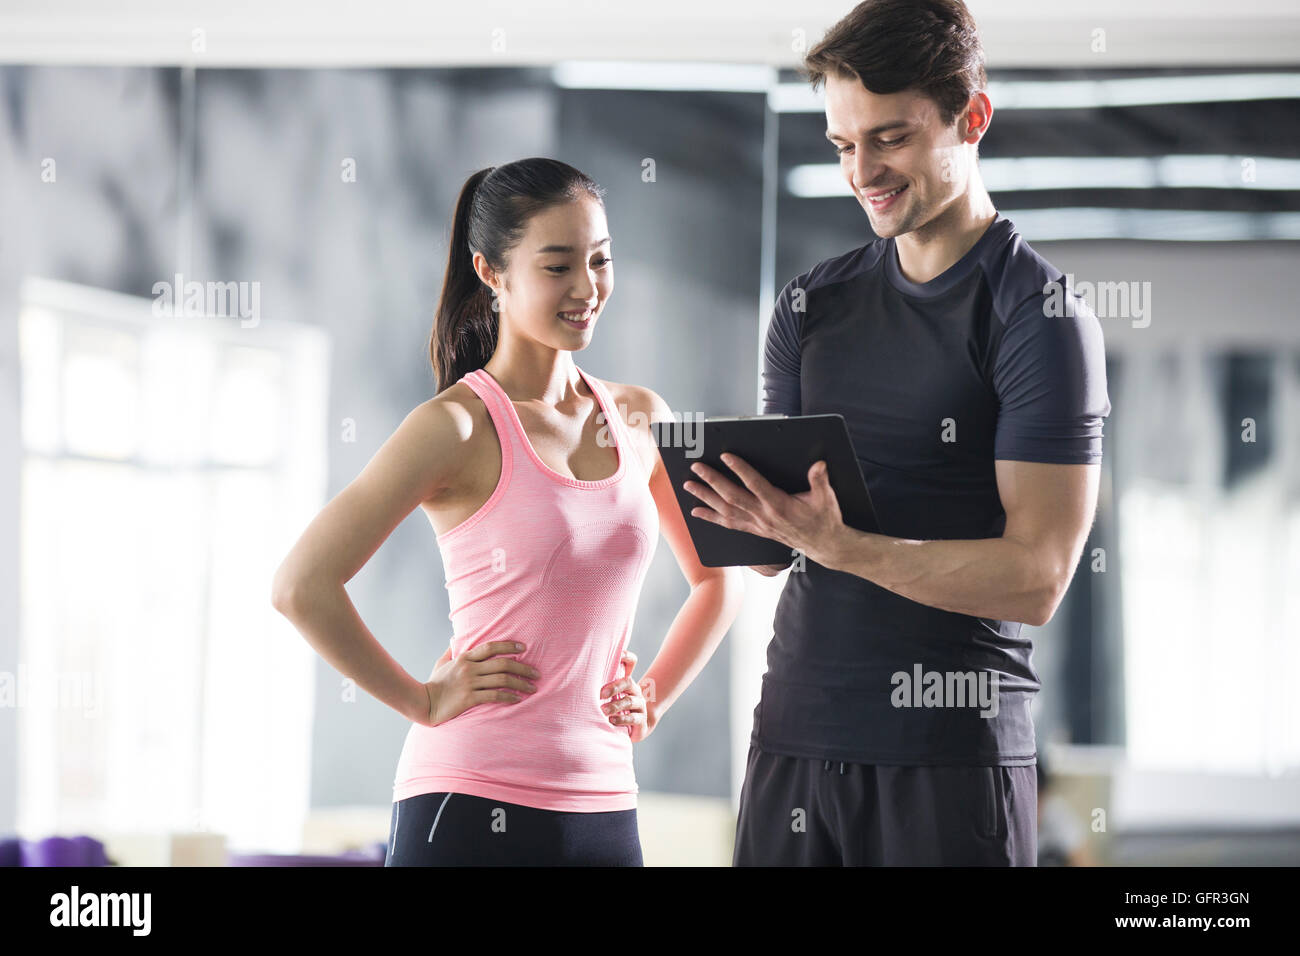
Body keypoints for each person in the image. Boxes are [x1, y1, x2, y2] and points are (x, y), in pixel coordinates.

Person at [685, 0, 1111, 865]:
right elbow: (782, 546)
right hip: (794, 737)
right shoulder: (811, 306)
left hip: (948, 757)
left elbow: (1036, 577)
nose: (862, 171)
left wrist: (840, 546)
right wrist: (742, 514)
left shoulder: (1039, 315)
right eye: (843, 144)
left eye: (890, 138)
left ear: (974, 117)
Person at [271, 157, 744, 866]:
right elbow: (300, 585)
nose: (587, 288)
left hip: (604, 800)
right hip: (466, 799)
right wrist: (422, 701)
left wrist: (654, 696)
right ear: (491, 272)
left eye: (601, 260)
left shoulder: (643, 418)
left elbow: (717, 579)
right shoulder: (456, 427)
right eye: (558, 267)